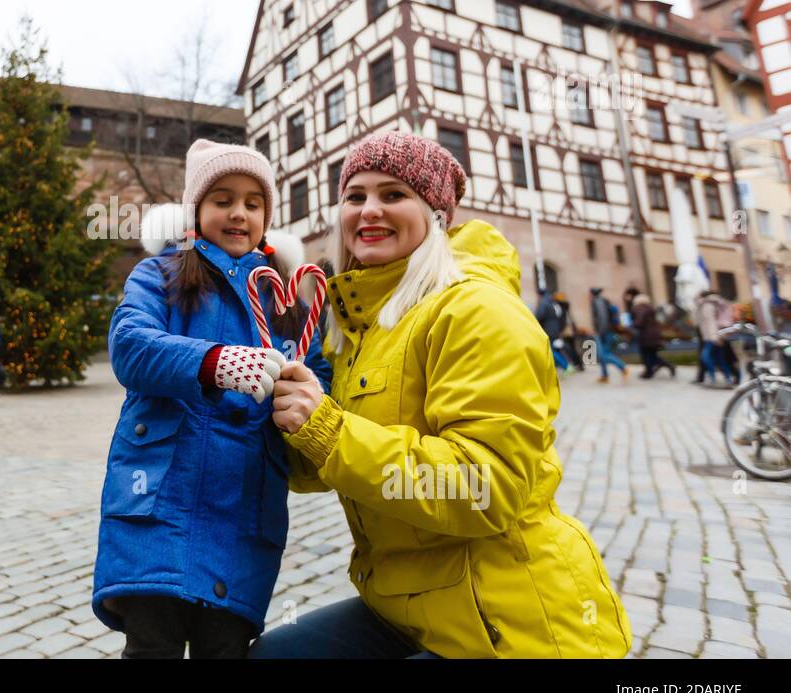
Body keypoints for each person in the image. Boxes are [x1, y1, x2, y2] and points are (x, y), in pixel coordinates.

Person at [250, 131, 630, 658]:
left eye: (394, 194)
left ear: (436, 214)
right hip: (404, 604)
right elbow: (319, 467)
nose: (369, 210)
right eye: (355, 196)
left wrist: (329, 431)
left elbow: (483, 486)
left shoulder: (475, 310)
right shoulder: (361, 327)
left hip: (505, 619)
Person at [92, 139, 334, 658]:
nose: (238, 213)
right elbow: (130, 347)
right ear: (196, 209)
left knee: (224, 650)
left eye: (252, 202)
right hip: (160, 506)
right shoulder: (161, 276)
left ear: (267, 216)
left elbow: (318, 377)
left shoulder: (286, 304)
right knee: (151, 644)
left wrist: (308, 396)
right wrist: (214, 362)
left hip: (244, 515)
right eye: (222, 199)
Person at [694, 290, 738, 386]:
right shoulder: (712, 304)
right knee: (720, 358)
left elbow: (711, 322)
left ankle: (713, 377)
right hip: (717, 335)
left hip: (712, 336)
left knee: (705, 357)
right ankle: (728, 378)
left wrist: (714, 337)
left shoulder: (707, 306)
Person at [590, 287, 629, 383]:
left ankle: (622, 366)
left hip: (604, 332)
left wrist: (600, 332)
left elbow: (602, 318)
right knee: (603, 353)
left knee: (602, 354)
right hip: (607, 330)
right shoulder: (603, 301)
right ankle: (605, 375)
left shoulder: (597, 302)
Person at [631, 294, 675, 379]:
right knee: (651, 354)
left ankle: (651, 371)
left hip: (646, 335)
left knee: (646, 355)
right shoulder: (649, 308)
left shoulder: (641, 309)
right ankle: (650, 371)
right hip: (654, 334)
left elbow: (639, 321)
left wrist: (632, 325)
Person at [534, 288, 569, 372]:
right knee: (556, 349)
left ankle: (566, 366)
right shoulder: (552, 303)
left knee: (551, 350)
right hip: (555, 329)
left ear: (539, 295)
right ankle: (565, 366)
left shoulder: (543, 303)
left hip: (548, 330)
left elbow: (539, 316)